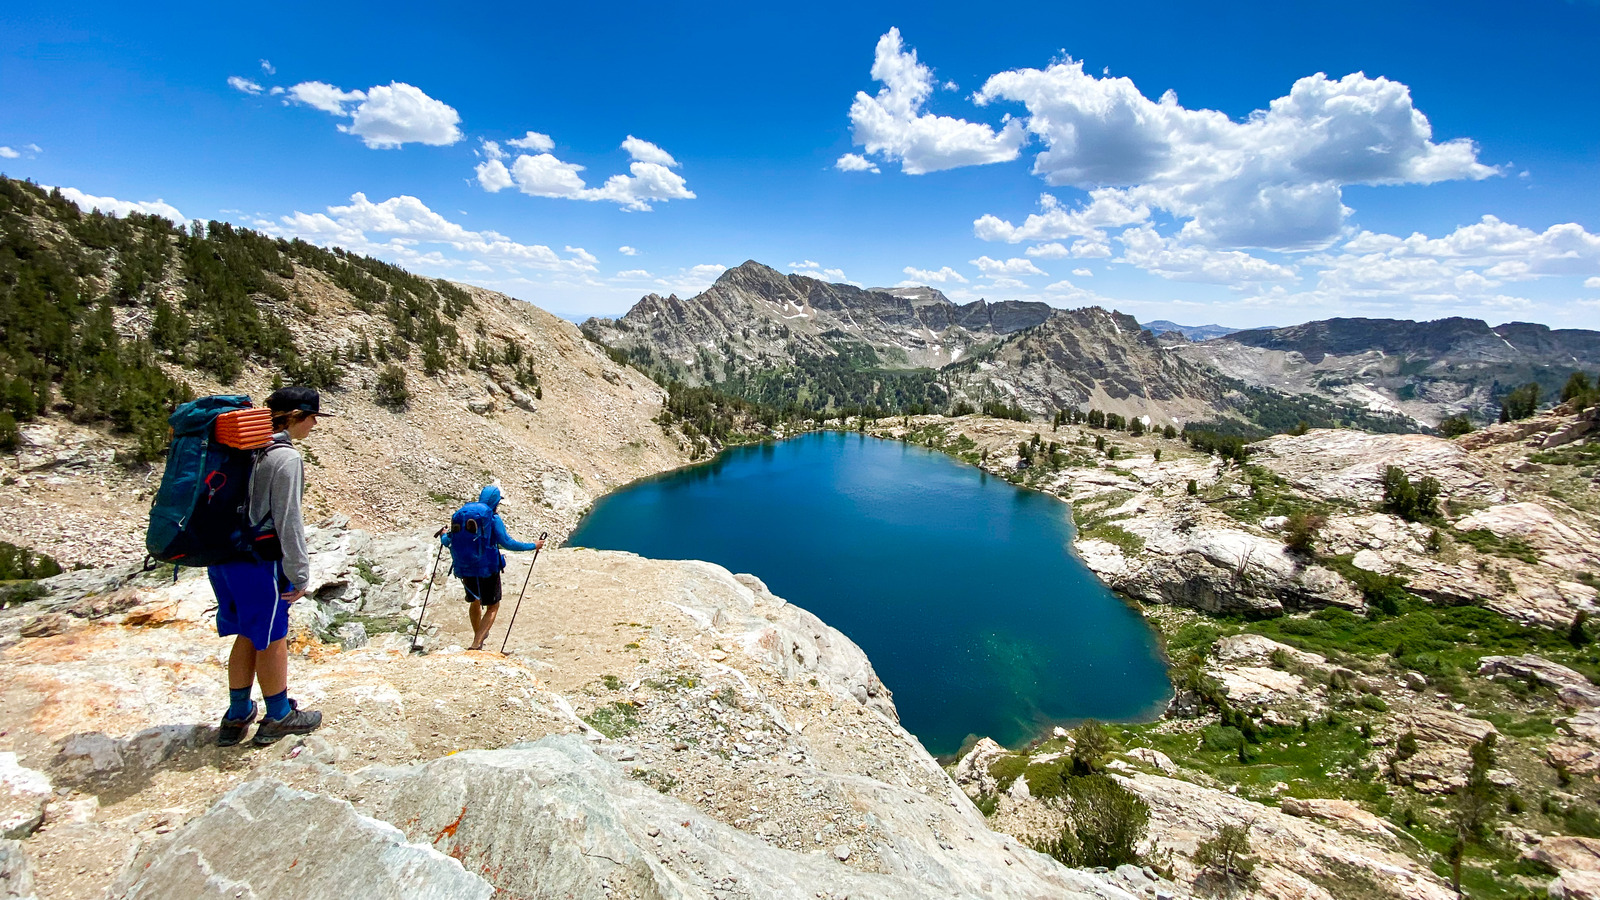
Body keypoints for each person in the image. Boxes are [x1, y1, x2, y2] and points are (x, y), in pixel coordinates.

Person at [211, 386, 327, 747]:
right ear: (297, 417)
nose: (313, 426)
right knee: (273, 637)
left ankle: (236, 714)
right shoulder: (285, 458)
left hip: (224, 557)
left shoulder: (242, 447)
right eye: (312, 418)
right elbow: (288, 519)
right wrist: (300, 571)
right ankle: (278, 715)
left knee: (247, 631)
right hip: (260, 562)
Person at [440, 485, 543, 650]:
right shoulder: (492, 519)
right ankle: (476, 644)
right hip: (488, 569)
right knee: (493, 606)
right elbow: (507, 543)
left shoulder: (463, 517)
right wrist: (533, 545)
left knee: (474, 601)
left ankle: (478, 637)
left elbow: (447, 541)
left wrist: (444, 534)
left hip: (465, 568)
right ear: (496, 501)